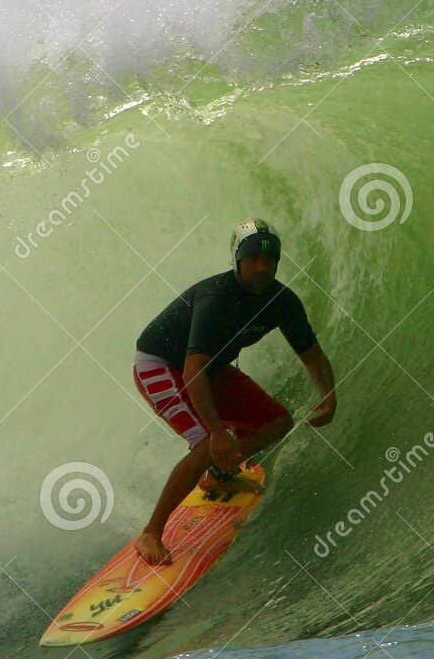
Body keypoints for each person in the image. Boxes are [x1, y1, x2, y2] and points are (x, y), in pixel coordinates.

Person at [129, 218, 336, 565]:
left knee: (278, 422)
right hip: (162, 365)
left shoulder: (282, 301)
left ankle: (220, 475)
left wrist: (329, 395)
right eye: (252, 258)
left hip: (208, 369)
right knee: (204, 447)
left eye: (269, 259)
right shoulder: (216, 298)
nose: (261, 266)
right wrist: (216, 432)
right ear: (237, 259)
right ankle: (151, 532)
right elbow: (192, 370)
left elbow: (311, 354)